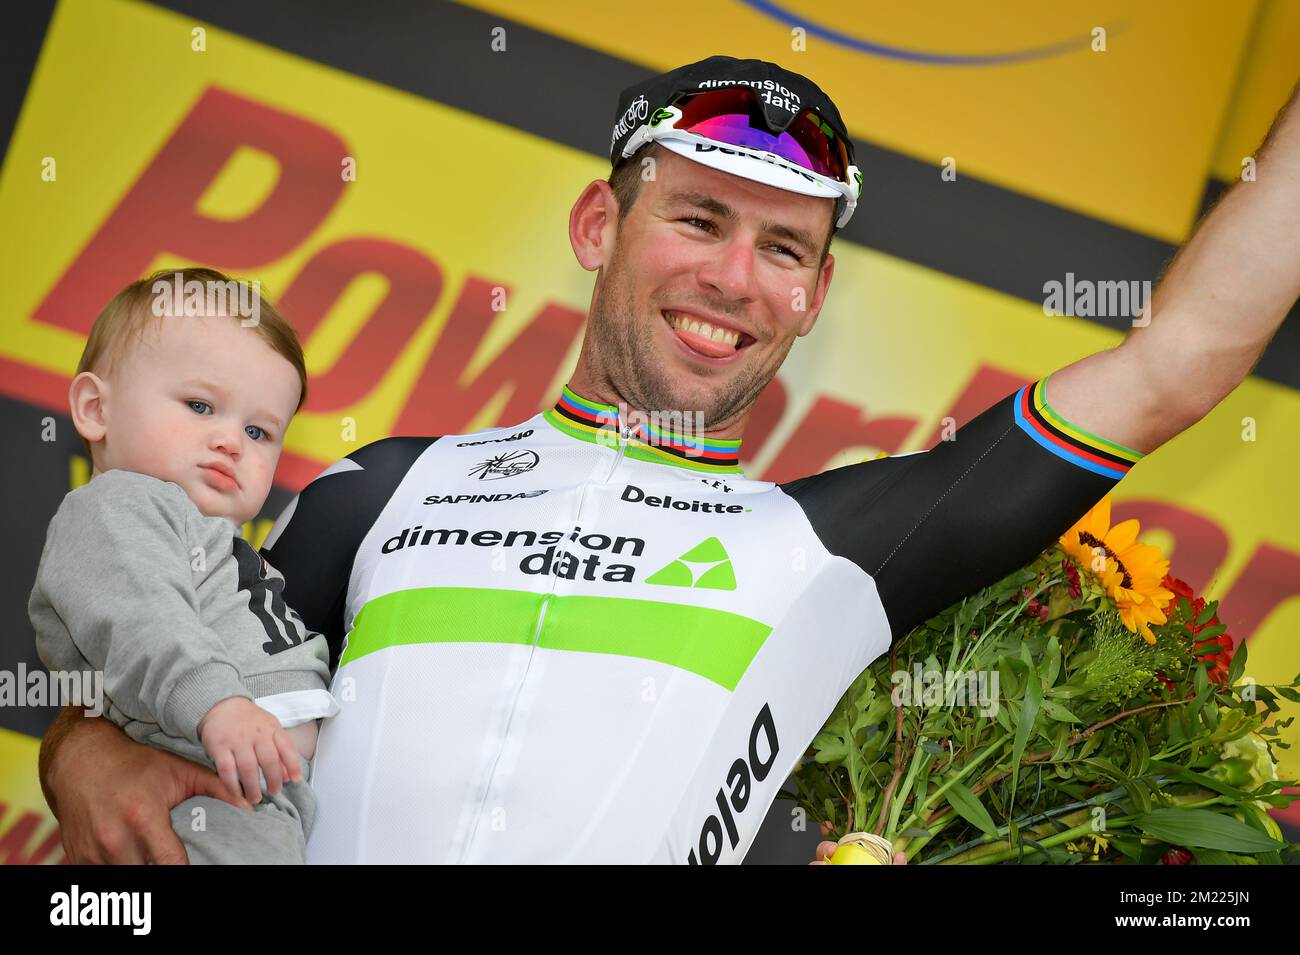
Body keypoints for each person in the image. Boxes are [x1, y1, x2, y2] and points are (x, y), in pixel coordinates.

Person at [38, 56, 1300, 864]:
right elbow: (169, 681)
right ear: (600, 225)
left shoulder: (831, 547)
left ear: (813, 298)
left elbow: (1177, 358)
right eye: (697, 218)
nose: (731, 278)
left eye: (783, 249)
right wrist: (79, 749)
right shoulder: (377, 489)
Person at [29, 268, 338, 863]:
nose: (231, 441)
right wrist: (216, 705)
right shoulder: (119, 507)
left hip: (251, 789)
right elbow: (144, 620)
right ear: (96, 408)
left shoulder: (215, 541)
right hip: (194, 776)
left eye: (259, 430)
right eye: (200, 405)